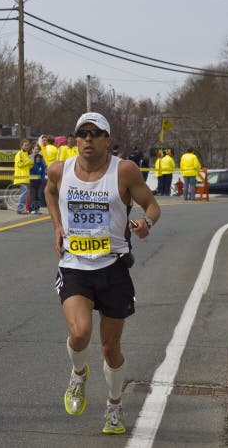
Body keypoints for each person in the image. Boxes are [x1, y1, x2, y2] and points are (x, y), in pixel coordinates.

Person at [44, 112, 160, 435]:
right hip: (75, 266)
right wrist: (57, 226)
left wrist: (146, 223)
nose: (88, 139)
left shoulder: (124, 171)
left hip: (113, 267)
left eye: (95, 133)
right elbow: (50, 192)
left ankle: (114, 405)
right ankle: (79, 374)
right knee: (80, 334)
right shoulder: (60, 170)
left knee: (110, 348)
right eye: (82, 133)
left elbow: (152, 206)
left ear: (107, 140)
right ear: (75, 139)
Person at [14, 139, 33, 214]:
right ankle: (20, 209)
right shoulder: (19, 154)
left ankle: (22, 208)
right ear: (21, 146)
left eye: (28, 145)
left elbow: (29, 166)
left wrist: (30, 163)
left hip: (26, 177)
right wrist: (29, 161)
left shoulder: (27, 154)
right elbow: (19, 164)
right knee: (24, 193)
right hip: (21, 177)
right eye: (25, 145)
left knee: (25, 193)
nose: (27, 147)